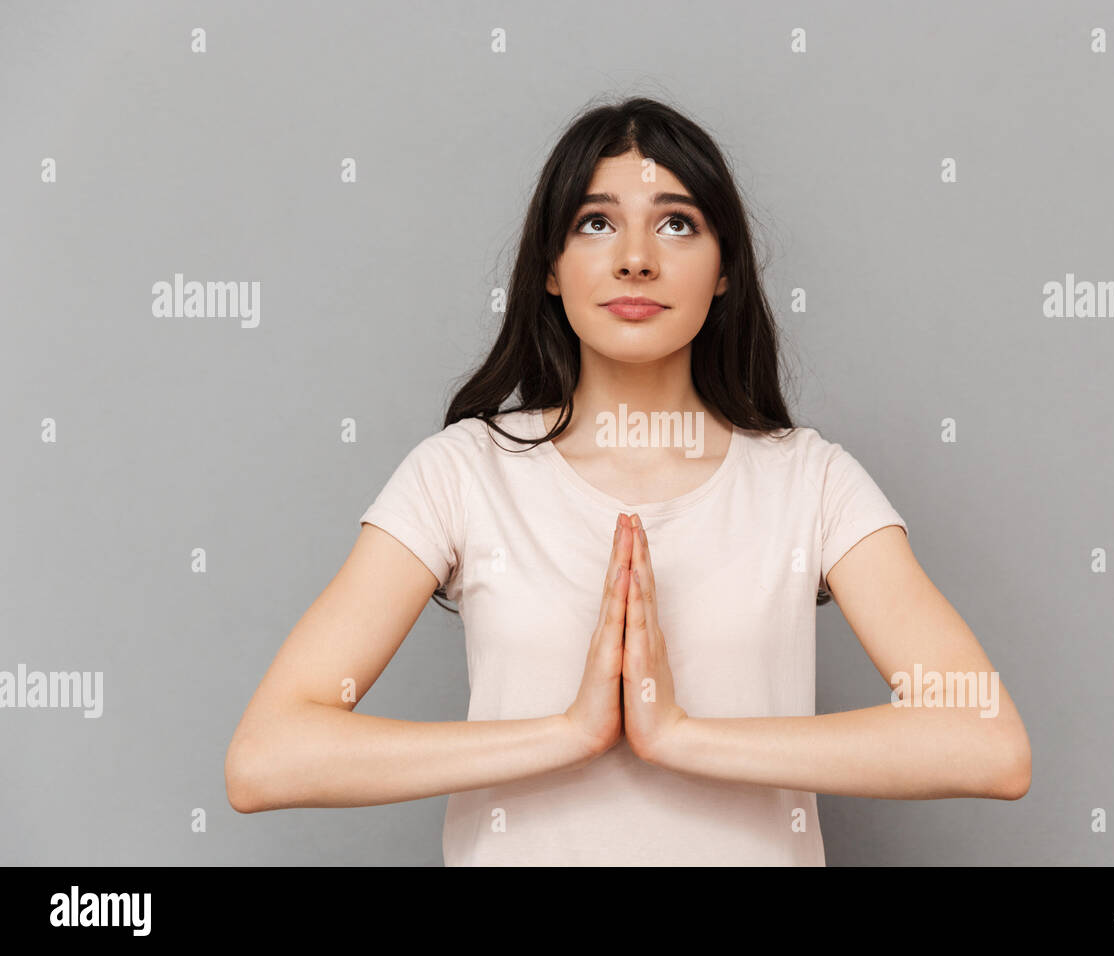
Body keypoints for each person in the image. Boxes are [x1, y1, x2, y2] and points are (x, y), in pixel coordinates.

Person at [224, 95, 1031, 865]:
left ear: (724, 271)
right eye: (596, 222)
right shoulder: (463, 474)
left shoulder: (810, 481)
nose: (636, 259)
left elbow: (987, 743)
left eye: (677, 224)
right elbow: (268, 757)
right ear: (550, 266)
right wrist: (566, 733)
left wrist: (681, 736)